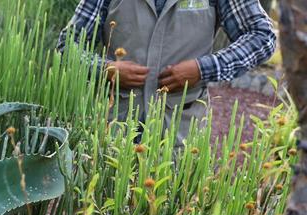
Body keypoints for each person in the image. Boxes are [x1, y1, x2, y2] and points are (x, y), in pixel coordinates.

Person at [58, 0, 277, 144]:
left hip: (181, 132)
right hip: (114, 126)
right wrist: (104, 69)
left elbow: (262, 36)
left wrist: (202, 69)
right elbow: (67, 45)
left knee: (171, 211)